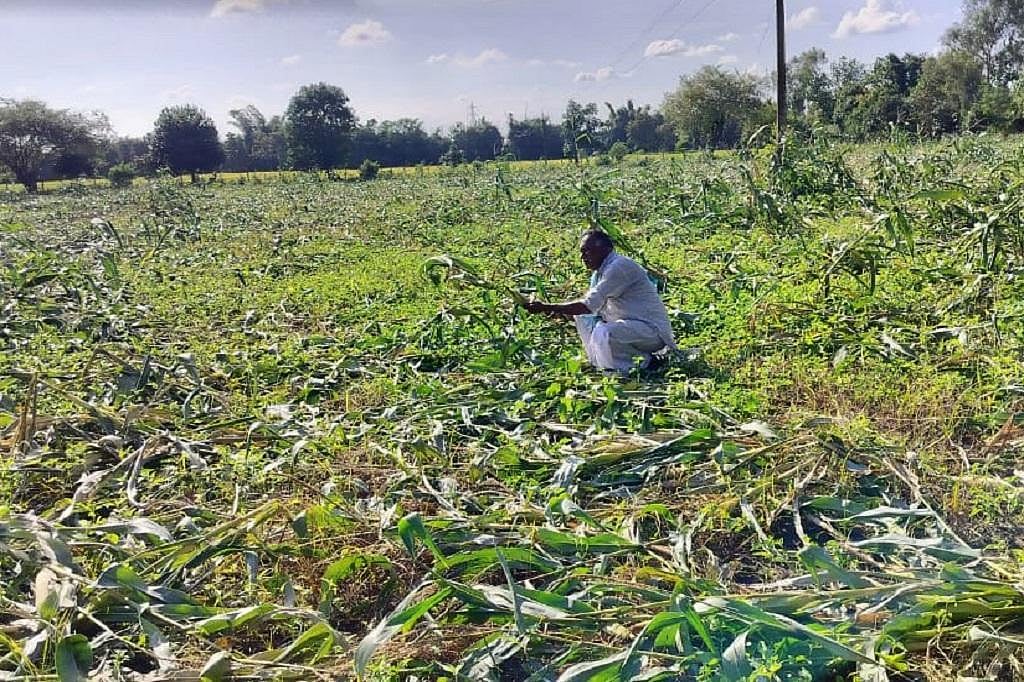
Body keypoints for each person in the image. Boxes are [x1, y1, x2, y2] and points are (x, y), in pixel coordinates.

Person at [523, 230, 676, 373]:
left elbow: (587, 305)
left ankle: (637, 365)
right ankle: (600, 361)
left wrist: (547, 307)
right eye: (582, 252)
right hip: (632, 328)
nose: (583, 257)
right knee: (583, 318)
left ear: (606, 249)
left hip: (652, 331)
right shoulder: (598, 274)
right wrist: (553, 311)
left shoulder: (619, 267)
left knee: (604, 331)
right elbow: (588, 310)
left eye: (588, 251)